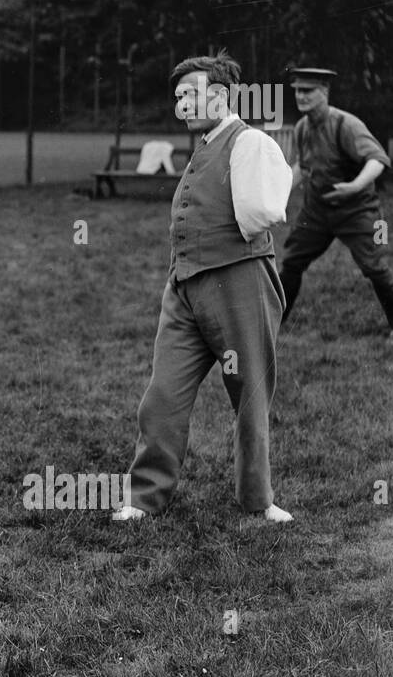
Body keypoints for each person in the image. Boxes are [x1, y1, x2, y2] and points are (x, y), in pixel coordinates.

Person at [113, 50, 295, 523]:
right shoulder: (205, 145)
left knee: (250, 397)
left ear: (219, 95)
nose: (181, 105)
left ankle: (258, 500)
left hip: (239, 283)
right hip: (185, 289)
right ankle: (144, 497)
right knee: (162, 395)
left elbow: (261, 212)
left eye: (189, 95)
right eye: (178, 98)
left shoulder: (248, 142)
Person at [277, 66, 393, 344]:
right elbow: (302, 168)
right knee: (290, 262)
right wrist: (278, 194)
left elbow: (377, 160)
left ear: (324, 92)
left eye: (308, 91)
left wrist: (353, 187)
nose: (301, 97)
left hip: (358, 211)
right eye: (297, 91)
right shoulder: (303, 127)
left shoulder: (346, 124)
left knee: (374, 265)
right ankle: (274, 326)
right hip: (316, 212)